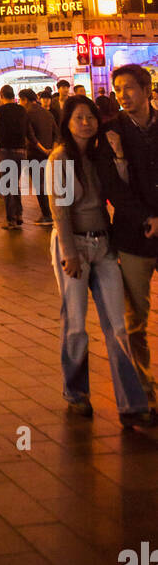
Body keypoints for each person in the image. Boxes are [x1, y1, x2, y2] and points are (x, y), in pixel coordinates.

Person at [47, 94, 156, 427]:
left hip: (103, 244)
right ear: (67, 122)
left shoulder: (99, 155)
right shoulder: (61, 158)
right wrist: (69, 254)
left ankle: (131, 402)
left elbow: (120, 189)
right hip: (74, 247)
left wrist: (119, 155)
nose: (86, 123)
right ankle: (76, 393)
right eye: (78, 117)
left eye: (90, 117)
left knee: (118, 325)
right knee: (77, 325)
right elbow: (60, 211)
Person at [103, 64, 158, 406]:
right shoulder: (111, 132)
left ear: (147, 89)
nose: (122, 95)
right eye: (118, 89)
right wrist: (146, 217)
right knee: (134, 318)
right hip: (134, 236)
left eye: (128, 88)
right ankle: (145, 392)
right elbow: (113, 187)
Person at [0, 84, 36, 230]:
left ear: (1, 96)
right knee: (15, 183)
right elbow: (28, 130)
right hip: (21, 151)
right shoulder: (22, 110)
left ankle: (11, 219)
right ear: (13, 95)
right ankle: (19, 214)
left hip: (5, 151)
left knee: (7, 185)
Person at [20, 88, 57, 225]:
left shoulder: (27, 114)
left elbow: (31, 136)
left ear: (25, 99)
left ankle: (47, 215)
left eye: (21, 100)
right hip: (49, 153)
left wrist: (42, 149)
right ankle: (54, 212)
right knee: (49, 184)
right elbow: (56, 132)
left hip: (34, 153)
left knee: (39, 184)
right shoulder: (47, 113)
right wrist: (51, 149)